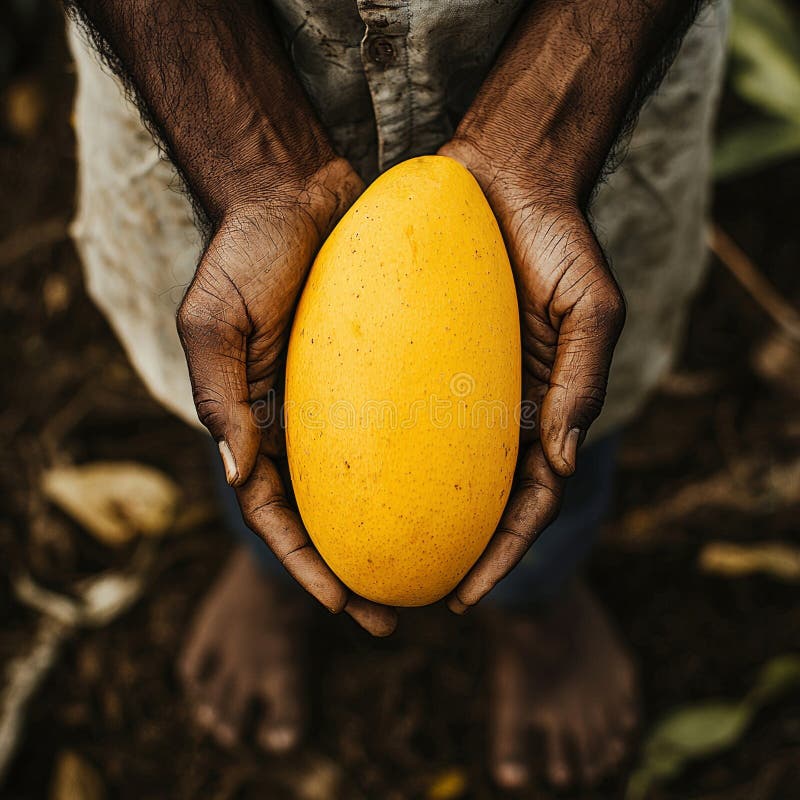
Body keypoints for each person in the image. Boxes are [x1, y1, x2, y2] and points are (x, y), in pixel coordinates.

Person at [63, 0, 728, 789]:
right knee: (249, 400)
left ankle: (538, 600)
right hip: (195, 68)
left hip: (593, 68)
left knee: (564, 401)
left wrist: (546, 135)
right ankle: (275, 577)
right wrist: (251, 168)